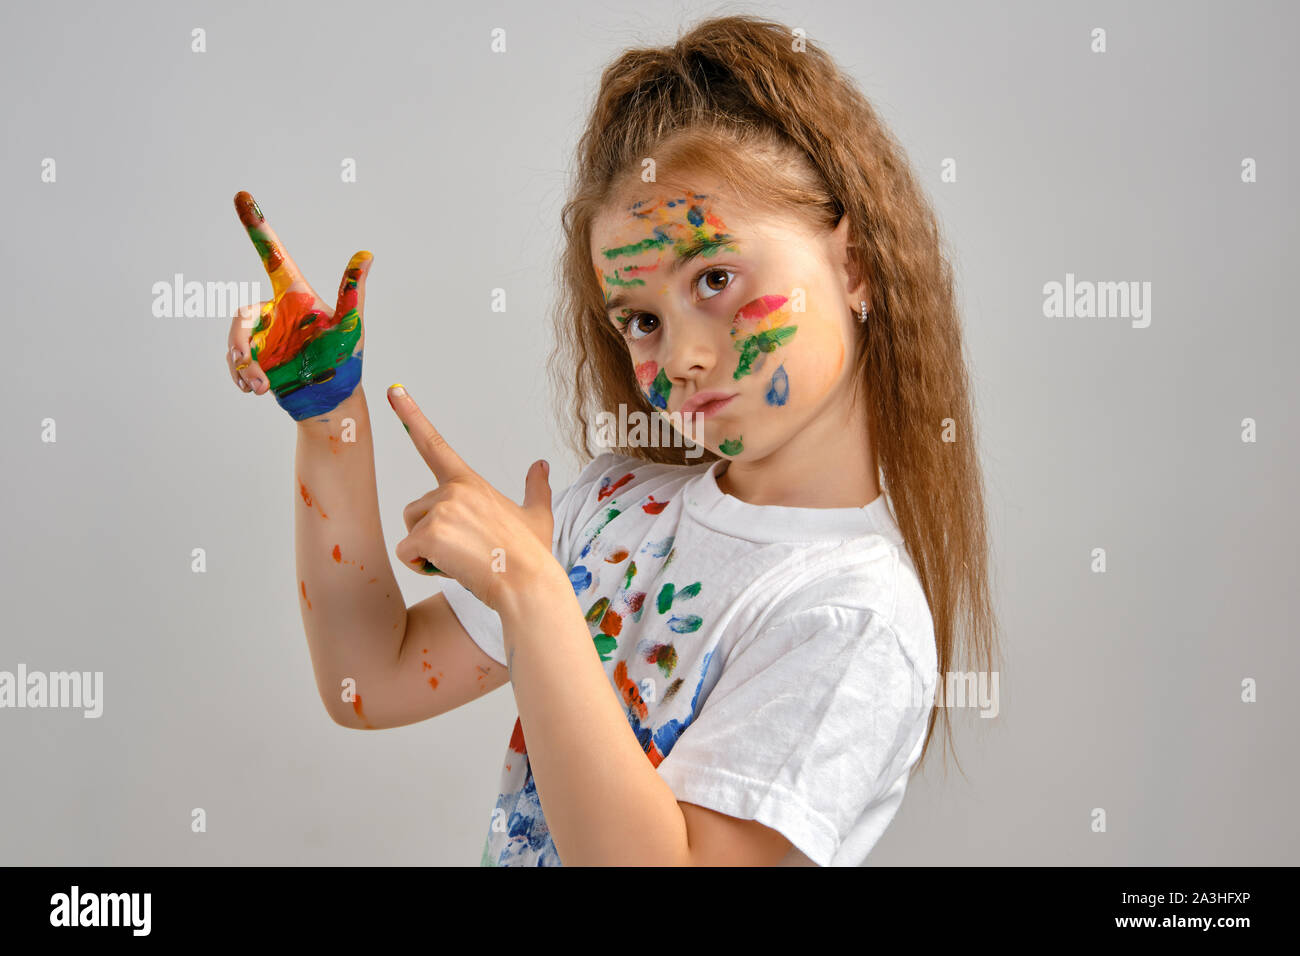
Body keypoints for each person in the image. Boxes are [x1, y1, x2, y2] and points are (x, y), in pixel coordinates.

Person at [224, 13, 999, 867]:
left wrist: (536, 597)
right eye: (639, 318)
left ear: (853, 267)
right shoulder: (611, 510)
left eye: (715, 277)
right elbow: (367, 678)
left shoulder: (853, 616)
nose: (684, 356)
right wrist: (330, 416)